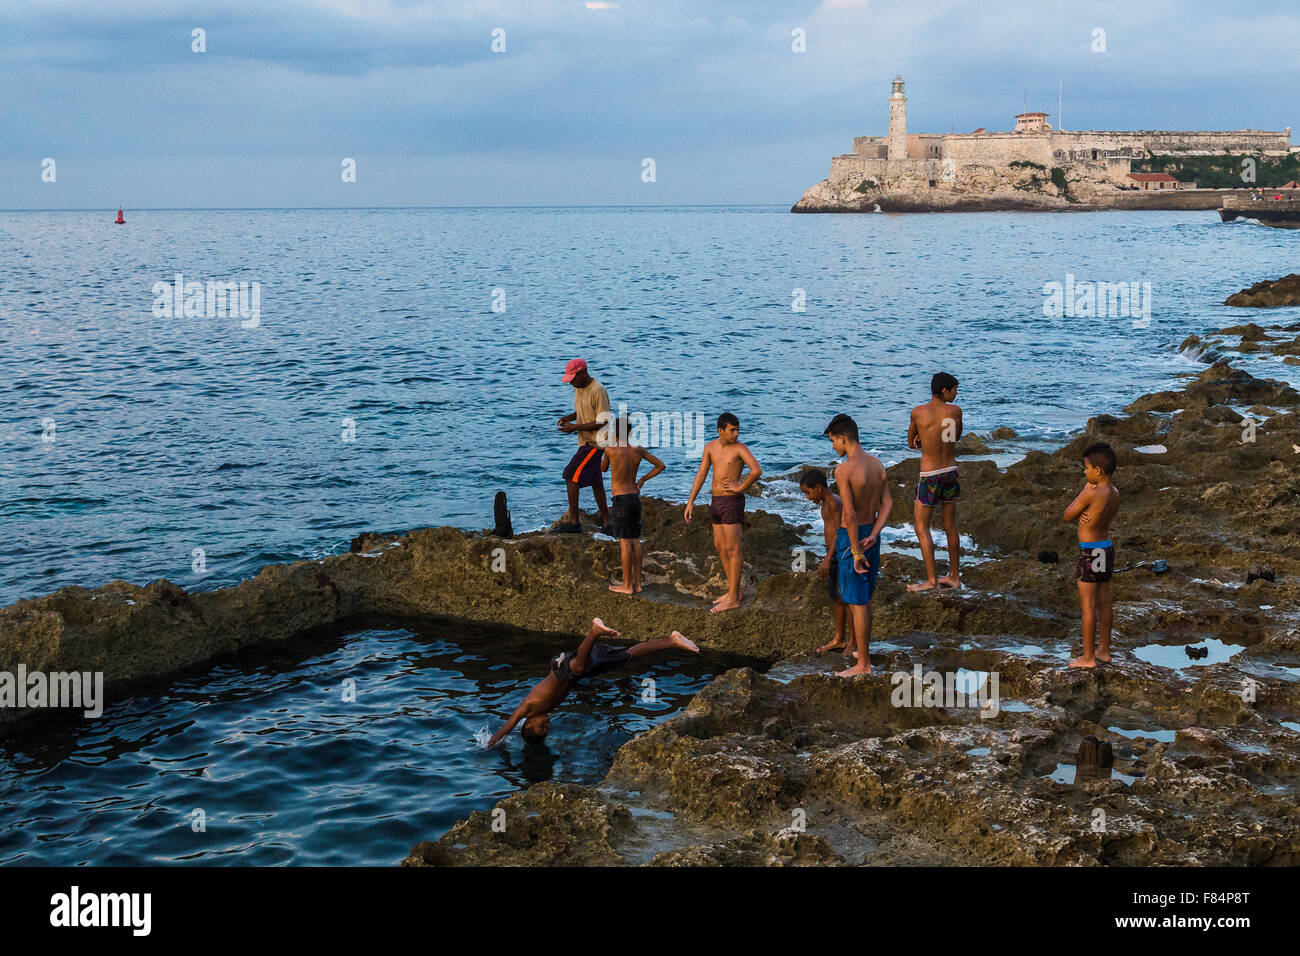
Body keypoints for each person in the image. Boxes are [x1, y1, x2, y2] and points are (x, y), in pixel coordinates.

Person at [486, 619, 699, 747]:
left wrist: (488, 746)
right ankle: (672, 640)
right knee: (628, 655)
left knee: (577, 666)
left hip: (563, 668)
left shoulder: (527, 707)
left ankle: (594, 631)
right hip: (579, 672)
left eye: (541, 726)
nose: (547, 724)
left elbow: (506, 728)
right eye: (546, 728)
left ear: (529, 723)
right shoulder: (543, 711)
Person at [825, 413, 892, 677]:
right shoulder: (877, 465)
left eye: (833, 441)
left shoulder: (843, 470)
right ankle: (862, 654)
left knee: (857, 602)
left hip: (851, 538)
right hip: (871, 536)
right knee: (864, 598)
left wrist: (854, 550)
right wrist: (875, 533)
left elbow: (849, 514)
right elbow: (887, 504)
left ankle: (863, 665)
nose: (833, 447)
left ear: (843, 438)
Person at [684, 412, 762, 613]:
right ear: (720, 430)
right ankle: (732, 591)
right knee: (720, 547)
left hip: (732, 502)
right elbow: (702, 473)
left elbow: (756, 470)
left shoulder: (740, 448)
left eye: (737, 430)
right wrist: (690, 501)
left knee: (733, 549)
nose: (735, 434)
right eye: (732, 430)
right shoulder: (710, 447)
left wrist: (739, 487)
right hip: (716, 501)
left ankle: (734, 597)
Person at [1064, 442, 1120, 669]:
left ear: (1098, 471)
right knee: (1104, 602)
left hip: (1089, 552)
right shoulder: (1114, 493)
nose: (1084, 472)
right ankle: (1104, 650)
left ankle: (1088, 658)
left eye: (1086, 468)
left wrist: (1085, 493)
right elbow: (1097, 515)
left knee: (1087, 605)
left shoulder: (1092, 491)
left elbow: (1068, 515)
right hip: (1105, 548)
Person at [906, 372, 963, 591]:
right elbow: (953, 437)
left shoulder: (918, 412)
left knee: (921, 526)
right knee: (949, 526)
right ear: (944, 390)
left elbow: (911, 443)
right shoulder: (955, 411)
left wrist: (922, 439)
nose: (956, 393)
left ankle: (931, 581)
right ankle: (954, 577)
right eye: (954, 389)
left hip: (930, 475)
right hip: (950, 471)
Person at [602, 416, 665, 595]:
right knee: (636, 542)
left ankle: (627, 585)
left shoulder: (610, 449)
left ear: (615, 431)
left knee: (625, 543)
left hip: (621, 500)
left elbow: (603, 468)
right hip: (634, 498)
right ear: (630, 432)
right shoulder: (638, 450)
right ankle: (637, 584)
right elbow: (660, 465)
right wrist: (642, 479)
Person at [799, 469, 856, 656]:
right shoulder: (826, 502)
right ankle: (839, 639)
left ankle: (852, 643)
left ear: (818, 488)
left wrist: (827, 559)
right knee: (837, 599)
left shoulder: (833, 503)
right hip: (832, 554)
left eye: (808, 492)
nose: (807, 498)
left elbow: (841, 533)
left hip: (839, 554)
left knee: (847, 599)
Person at [556, 358, 611, 534]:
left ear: (583, 373)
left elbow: (603, 421)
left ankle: (574, 522)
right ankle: (607, 522)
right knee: (596, 482)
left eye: (573, 378)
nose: (571, 382)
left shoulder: (598, 390)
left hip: (595, 443)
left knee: (570, 475)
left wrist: (574, 427)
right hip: (585, 442)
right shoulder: (578, 388)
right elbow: (582, 411)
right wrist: (568, 418)